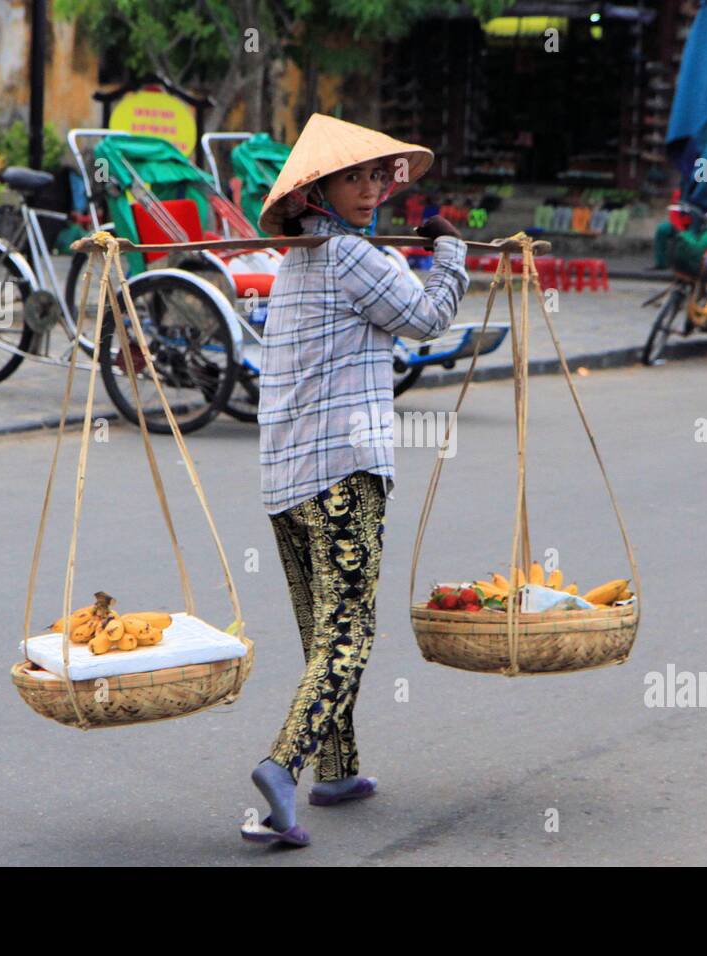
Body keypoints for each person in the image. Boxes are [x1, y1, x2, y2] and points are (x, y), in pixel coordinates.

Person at [240, 114, 469, 848]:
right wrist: (453, 255)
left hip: (286, 477)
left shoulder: (300, 260)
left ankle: (336, 771)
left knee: (322, 636)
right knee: (349, 633)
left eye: (377, 176)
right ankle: (284, 765)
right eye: (355, 177)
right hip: (343, 472)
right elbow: (428, 318)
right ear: (320, 188)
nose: (371, 189)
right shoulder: (348, 255)